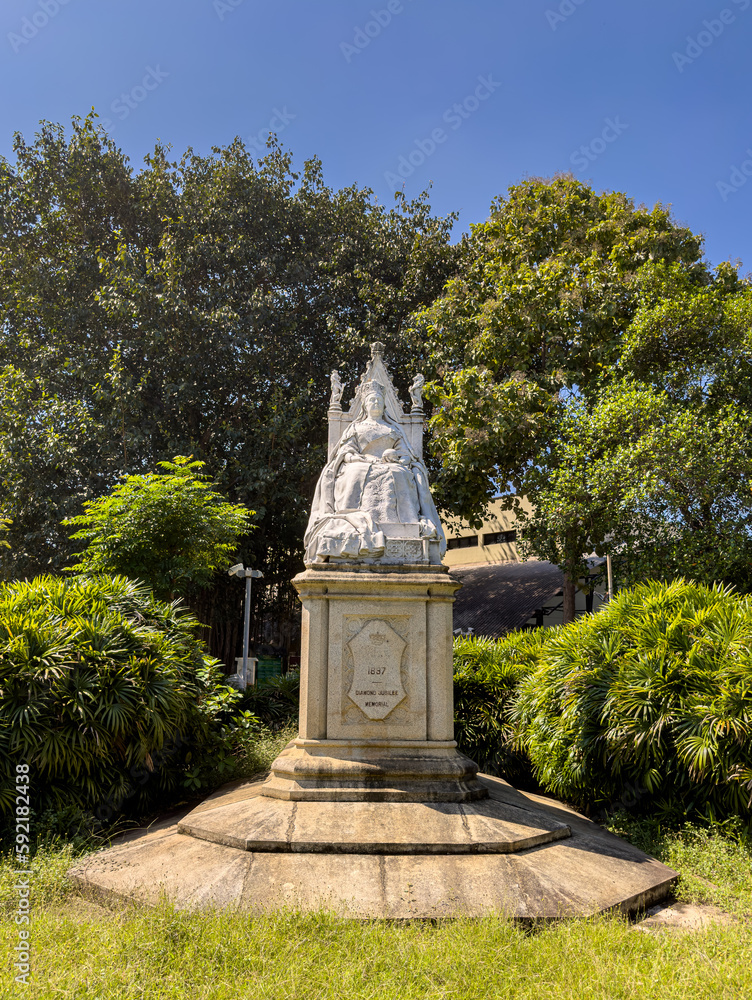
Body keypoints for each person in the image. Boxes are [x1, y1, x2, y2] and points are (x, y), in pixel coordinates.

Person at [304, 381, 444, 562]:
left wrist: (398, 458)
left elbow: (406, 454)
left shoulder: (393, 429)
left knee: (399, 473)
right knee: (355, 472)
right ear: (365, 405)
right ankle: (351, 520)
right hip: (359, 463)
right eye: (372, 400)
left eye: (379, 400)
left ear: (384, 405)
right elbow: (346, 452)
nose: (376, 403)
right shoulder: (356, 428)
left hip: (390, 464)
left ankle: (407, 524)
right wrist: (358, 459)